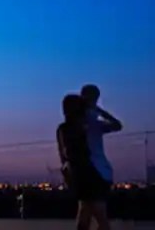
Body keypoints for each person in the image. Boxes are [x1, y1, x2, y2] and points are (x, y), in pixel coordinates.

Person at [58, 94, 112, 230]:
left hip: (82, 174)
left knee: (86, 212)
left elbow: (63, 155)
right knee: (94, 214)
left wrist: (67, 174)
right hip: (88, 173)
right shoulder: (86, 127)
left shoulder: (68, 128)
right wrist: (96, 110)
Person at [81, 86, 123, 192]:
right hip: (94, 172)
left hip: (96, 171)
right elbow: (117, 125)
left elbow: (117, 126)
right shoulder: (87, 123)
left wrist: (98, 110)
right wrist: (99, 111)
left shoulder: (95, 124)